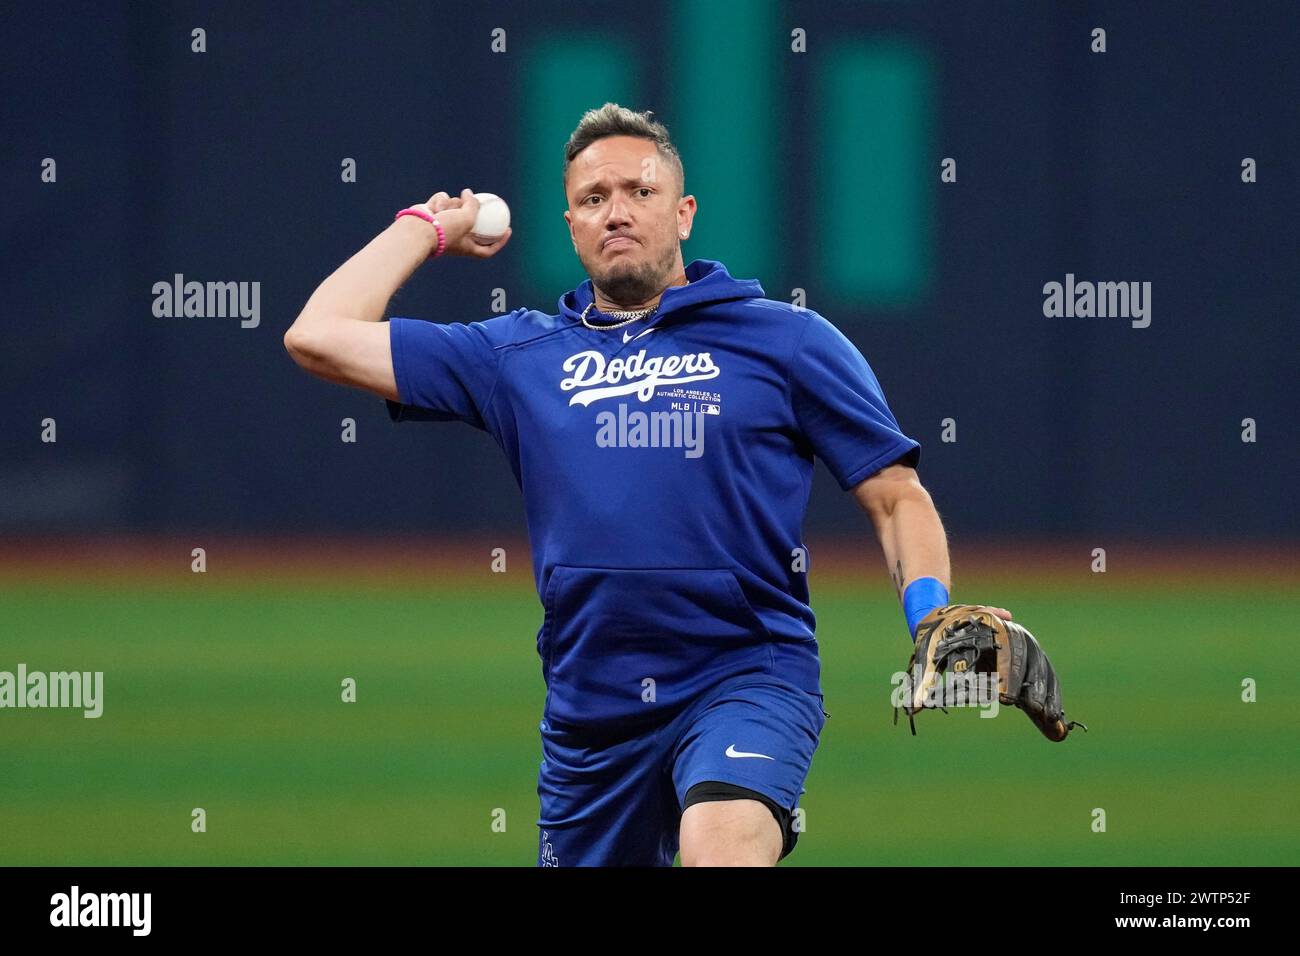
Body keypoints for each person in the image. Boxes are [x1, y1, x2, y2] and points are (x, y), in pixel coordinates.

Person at [284, 102, 1009, 866]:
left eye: (640, 191)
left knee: (720, 851)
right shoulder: (516, 356)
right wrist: (425, 229)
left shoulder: (785, 340)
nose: (616, 212)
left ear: (685, 212)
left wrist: (930, 613)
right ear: (571, 224)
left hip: (746, 677)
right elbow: (316, 336)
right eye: (594, 199)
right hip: (590, 715)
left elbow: (895, 493)